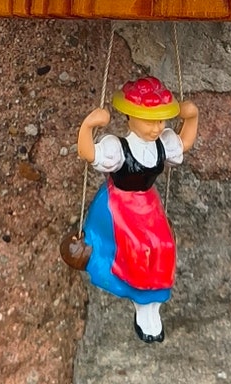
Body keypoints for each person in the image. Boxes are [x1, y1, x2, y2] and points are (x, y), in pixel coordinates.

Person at [77, 75, 199, 342]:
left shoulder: (162, 143)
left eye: (160, 121)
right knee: (138, 247)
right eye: (149, 121)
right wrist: (88, 125)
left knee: (164, 245)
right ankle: (141, 304)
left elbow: (184, 143)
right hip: (119, 204)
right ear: (130, 117)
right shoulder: (118, 148)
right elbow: (89, 154)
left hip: (147, 204)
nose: (156, 128)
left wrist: (191, 117)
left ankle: (154, 306)